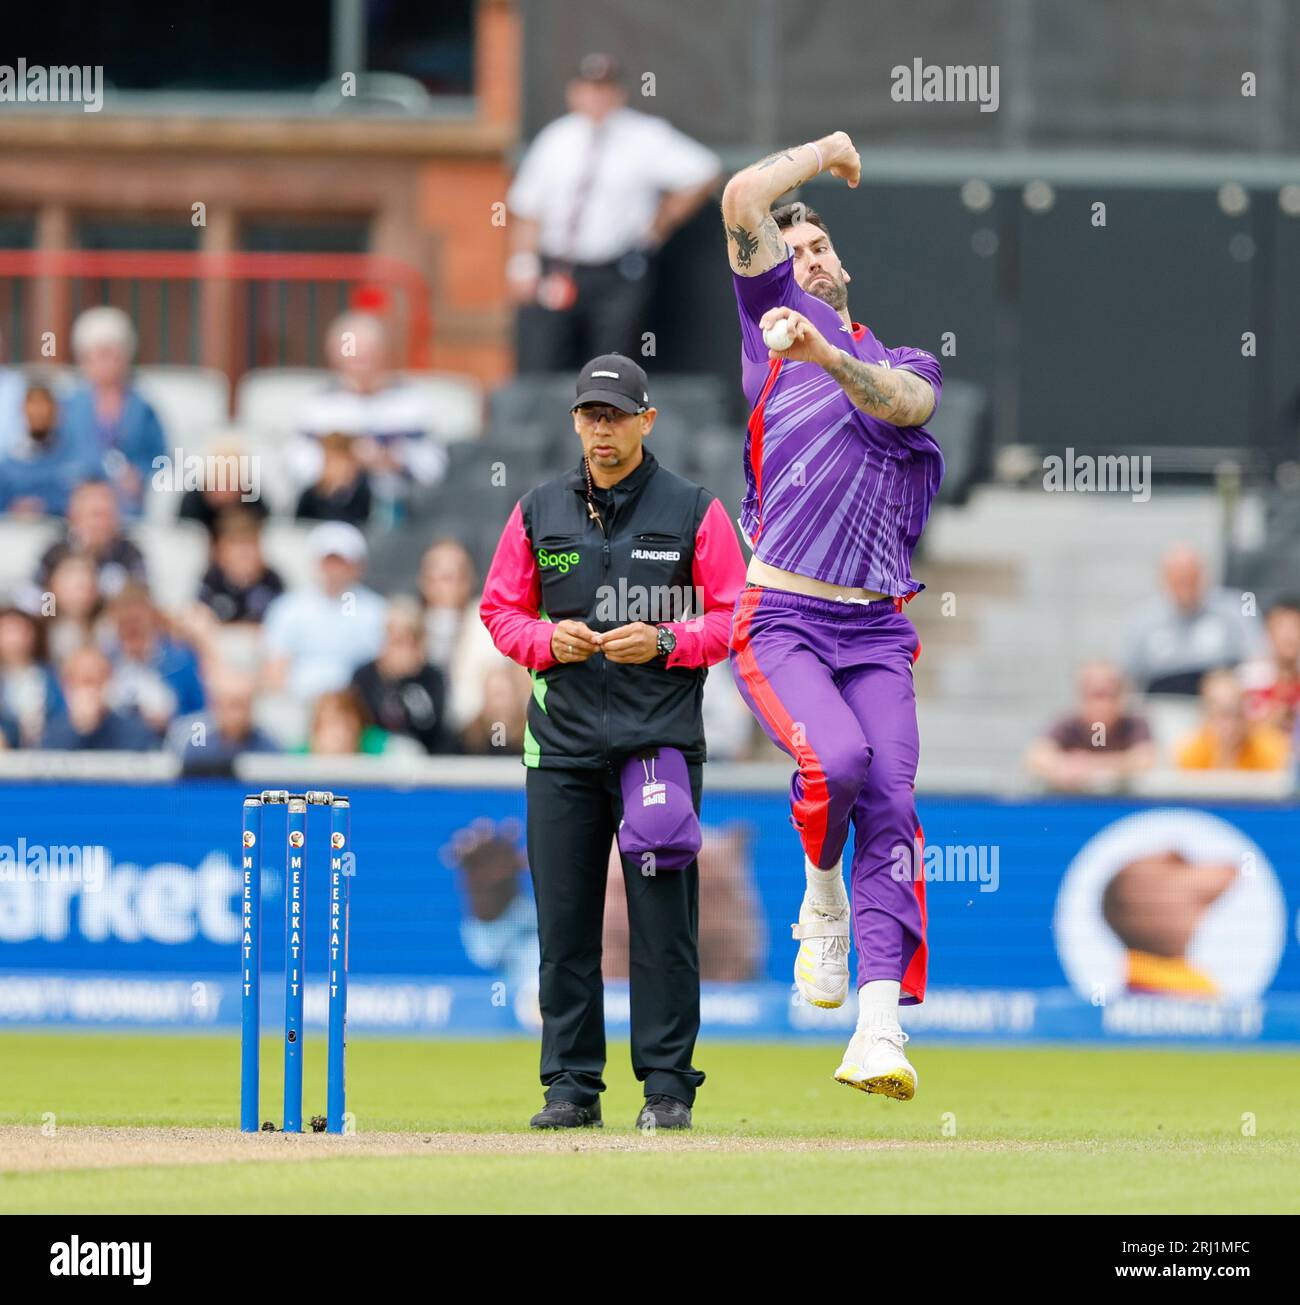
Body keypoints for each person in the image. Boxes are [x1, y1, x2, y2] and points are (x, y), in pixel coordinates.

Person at [720, 130, 946, 1101]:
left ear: (841, 266)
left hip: (874, 627)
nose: (805, 260)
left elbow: (903, 404)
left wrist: (826, 351)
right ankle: (819, 903)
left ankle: (879, 1032)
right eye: (792, 250)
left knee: (892, 802)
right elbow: (739, 197)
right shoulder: (767, 322)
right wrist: (824, 154)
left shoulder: (894, 354)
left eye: (817, 249)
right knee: (838, 764)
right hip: (783, 617)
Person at [480, 354, 746, 1131]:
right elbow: (500, 612)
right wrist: (546, 641)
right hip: (560, 747)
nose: (603, 429)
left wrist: (665, 639)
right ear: (575, 422)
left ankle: (667, 1088)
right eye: (590, 415)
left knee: (663, 925)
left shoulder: (696, 509)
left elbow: (736, 618)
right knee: (564, 925)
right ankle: (570, 1086)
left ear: (646, 421)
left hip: (656, 744)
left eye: (617, 415)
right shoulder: (535, 511)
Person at [507, 53, 720, 370]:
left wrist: (662, 221)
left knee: (611, 364)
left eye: (605, 89)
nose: (597, 98)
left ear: (619, 93)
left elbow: (704, 170)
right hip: (559, 267)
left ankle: (607, 418)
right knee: (545, 357)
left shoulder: (645, 136)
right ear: (574, 93)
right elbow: (527, 208)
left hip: (617, 270)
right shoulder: (555, 139)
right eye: (590, 89)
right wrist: (522, 264)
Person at [292, 313, 446, 523]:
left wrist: (393, 459)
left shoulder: (410, 402)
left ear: (384, 355)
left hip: (399, 511)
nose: (362, 365)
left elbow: (434, 465)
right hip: (338, 510)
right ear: (336, 357)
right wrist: (341, 463)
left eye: (369, 355)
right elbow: (297, 464)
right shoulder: (320, 406)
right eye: (354, 357)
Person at [261, 522, 386, 702]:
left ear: (358, 565)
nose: (334, 569)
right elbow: (275, 668)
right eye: (329, 561)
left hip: (356, 706)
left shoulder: (377, 611)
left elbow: (382, 668)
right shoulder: (288, 608)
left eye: (341, 562)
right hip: (299, 702)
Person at [59, 306, 166, 515]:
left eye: (114, 353)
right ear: (84, 359)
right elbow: (55, 457)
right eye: (100, 354)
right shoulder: (68, 407)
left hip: (129, 505)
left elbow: (161, 459)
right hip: (76, 502)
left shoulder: (143, 408)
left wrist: (140, 476)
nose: (109, 363)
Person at [1126, 544, 1264, 696]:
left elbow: (1258, 662)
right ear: (1163, 580)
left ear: (1204, 576)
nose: (1185, 590)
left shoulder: (1238, 607)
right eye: (1178, 581)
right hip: (1164, 706)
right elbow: (1129, 677)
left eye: (1191, 579)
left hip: (1223, 706)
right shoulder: (1143, 619)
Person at [1026, 661, 1156, 792]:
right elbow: (1037, 757)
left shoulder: (1134, 724)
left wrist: (1091, 764)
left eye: (1108, 694)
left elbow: (1144, 759)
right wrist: (1063, 766)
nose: (1102, 704)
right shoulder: (1068, 724)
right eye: (1096, 695)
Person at [351, 597, 453, 754]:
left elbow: (431, 727)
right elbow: (363, 725)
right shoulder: (364, 676)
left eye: (403, 639)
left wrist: (407, 680)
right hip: (374, 759)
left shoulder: (432, 677)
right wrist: (389, 679)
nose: (395, 647)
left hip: (426, 759)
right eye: (390, 637)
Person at [34, 479, 148, 601]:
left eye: (108, 515)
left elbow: (141, 599)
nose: (101, 524)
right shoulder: (55, 554)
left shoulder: (128, 553)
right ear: (73, 516)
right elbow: (32, 599)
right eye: (95, 515)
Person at [0, 383, 98, 517]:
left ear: (57, 410)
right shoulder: (9, 465)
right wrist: (13, 508)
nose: (39, 413)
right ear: (23, 410)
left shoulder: (78, 459)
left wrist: (47, 506)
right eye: (33, 406)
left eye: (44, 406)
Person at [40, 645, 158, 751]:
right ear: (66, 687)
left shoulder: (135, 732)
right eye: (85, 682)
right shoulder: (52, 734)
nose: (92, 691)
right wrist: (80, 728)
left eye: (98, 681)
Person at [166, 666, 279, 777]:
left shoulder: (268, 746)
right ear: (216, 706)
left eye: (245, 705)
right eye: (233, 705)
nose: (239, 715)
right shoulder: (197, 746)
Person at [1174, 668, 1289, 771]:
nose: (1231, 725)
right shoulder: (1190, 753)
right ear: (1206, 715)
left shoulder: (1271, 750)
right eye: (1222, 715)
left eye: (1238, 714)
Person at [1239, 597, 1300, 733]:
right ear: (1268, 632)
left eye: (1295, 626)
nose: (1288, 635)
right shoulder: (1247, 681)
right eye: (1281, 626)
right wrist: (1270, 722)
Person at [295, 431, 372, 526]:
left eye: (340, 460)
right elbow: (298, 527)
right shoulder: (309, 496)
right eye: (329, 460)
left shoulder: (361, 494)